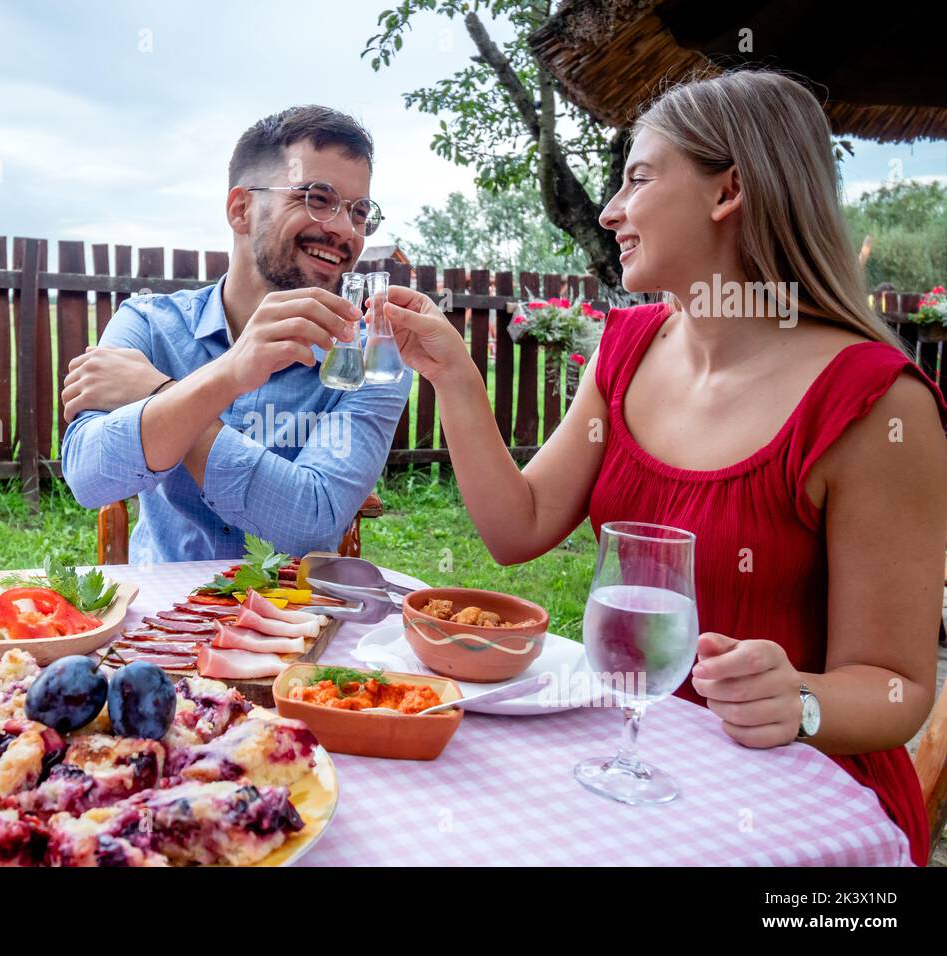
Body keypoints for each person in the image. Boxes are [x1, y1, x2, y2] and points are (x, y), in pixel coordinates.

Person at [383, 70, 947, 865]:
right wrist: (452, 376)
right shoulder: (627, 349)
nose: (611, 210)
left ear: (730, 191)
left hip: (800, 809)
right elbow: (519, 527)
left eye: (638, 179)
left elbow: (898, 688)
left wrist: (803, 700)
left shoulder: (877, 404)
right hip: (631, 774)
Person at [59, 106, 411, 563]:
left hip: (295, 621)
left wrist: (164, 392)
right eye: (317, 199)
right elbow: (89, 478)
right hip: (158, 621)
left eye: (359, 211)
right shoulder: (147, 324)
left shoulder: (372, 357)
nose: (345, 229)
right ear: (241, 209)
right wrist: (229, 375)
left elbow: (310, 523)